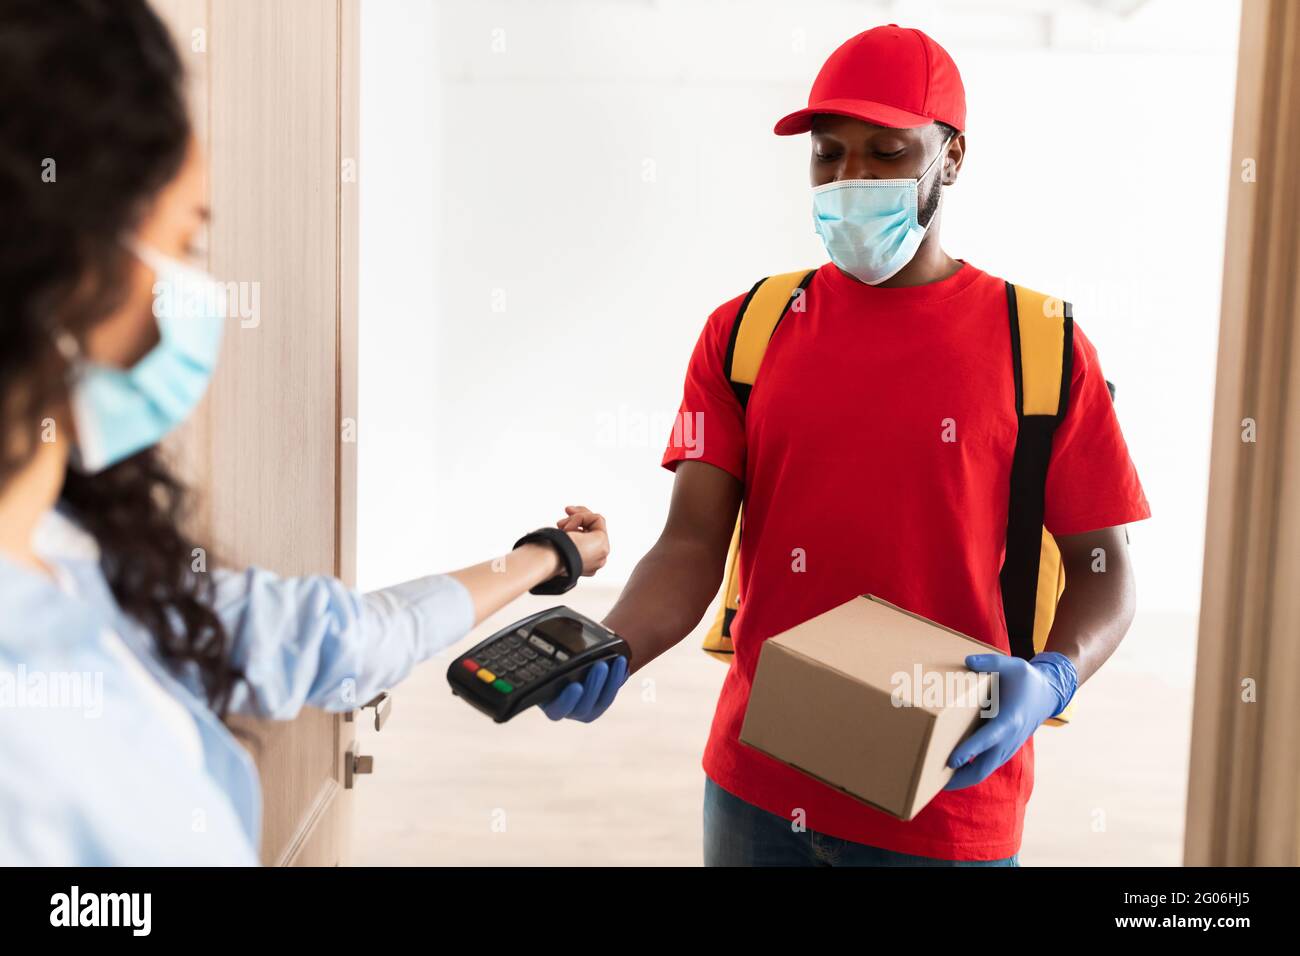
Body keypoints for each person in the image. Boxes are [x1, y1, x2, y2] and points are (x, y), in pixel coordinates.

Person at [0, 0, 624, 865]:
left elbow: (333, 637)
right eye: (183, 241)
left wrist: (549, 555)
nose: (196, 295)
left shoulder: (75, 554)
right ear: (68, 261)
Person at [584, 24, 1150, 865]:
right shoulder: (746, 332)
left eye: (888, 152)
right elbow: (692, 542)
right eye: (829, 155)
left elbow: (1105, 570)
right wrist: (615, 643)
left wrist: (1054, 677)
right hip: (754, 784)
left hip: (947, 798)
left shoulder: (1042, 345)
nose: (852, 180)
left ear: (950, 159)